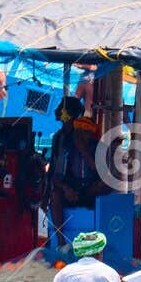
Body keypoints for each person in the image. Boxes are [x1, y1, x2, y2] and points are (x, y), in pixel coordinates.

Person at [46, 96, 109, 241]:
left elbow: (102, 175)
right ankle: (61, 243)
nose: (56, 110)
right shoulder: (60, 139)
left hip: (89, 191)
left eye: (60, 107)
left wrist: (84, 151)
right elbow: (56, 173)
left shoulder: (92, 143)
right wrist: (66, 189)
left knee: (103, 186)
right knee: (55, 194)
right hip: (70, 188)